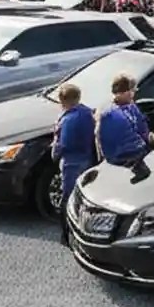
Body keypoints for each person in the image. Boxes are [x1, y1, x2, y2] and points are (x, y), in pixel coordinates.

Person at [51, 82, 96, 242]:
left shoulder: (68, 120)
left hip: (71, 162)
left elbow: (64, 144)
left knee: (68, 198)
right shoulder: (88, 113)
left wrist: (55, 153)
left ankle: (65, 233)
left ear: (63, 101)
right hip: (87, 158)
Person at [97, 74, 154, 183]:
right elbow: (102, 141)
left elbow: (142, 127)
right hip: (123, 161)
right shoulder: (108, 113)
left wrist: (149, 139)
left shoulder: (131, 106)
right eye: (132, 91)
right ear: (123, 91)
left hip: (140, 154)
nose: (133, 94)